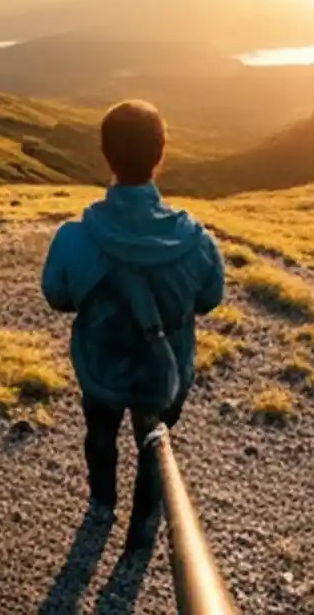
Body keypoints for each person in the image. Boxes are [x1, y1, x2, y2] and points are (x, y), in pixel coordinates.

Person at [41, 100, 224, 551]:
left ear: (106, 153)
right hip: (165, 374)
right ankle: (143, 529)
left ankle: (102, 505)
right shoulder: (196, 241)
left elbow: (57, 297)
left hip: (100, 370)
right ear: (160, 153)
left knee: (100, 433)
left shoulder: (73, 237)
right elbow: (209, 300)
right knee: (155, 445)